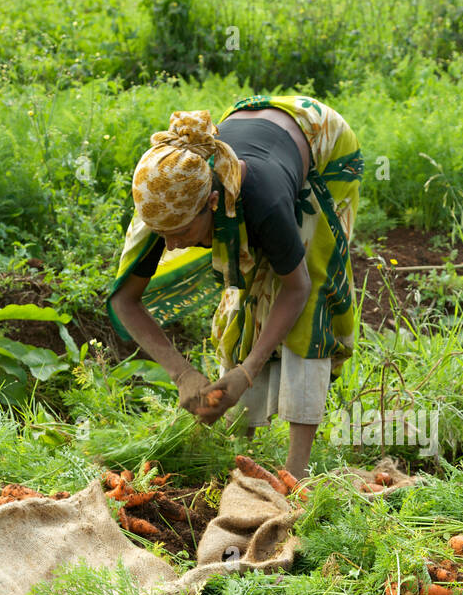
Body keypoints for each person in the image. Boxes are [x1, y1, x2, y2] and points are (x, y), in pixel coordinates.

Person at [107, 96, 363, 479]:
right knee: (242, 301)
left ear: (212, 202)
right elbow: (126, 301)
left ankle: (296, 477)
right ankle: (244, 448)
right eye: (163, 235)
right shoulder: (163, 193)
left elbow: (297, 288)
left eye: (180, 234)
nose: (171, 245)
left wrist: (247, 371)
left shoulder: (264, 200)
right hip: (251, 126)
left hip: (320, 141)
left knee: (311, 302)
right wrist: (182, 374)